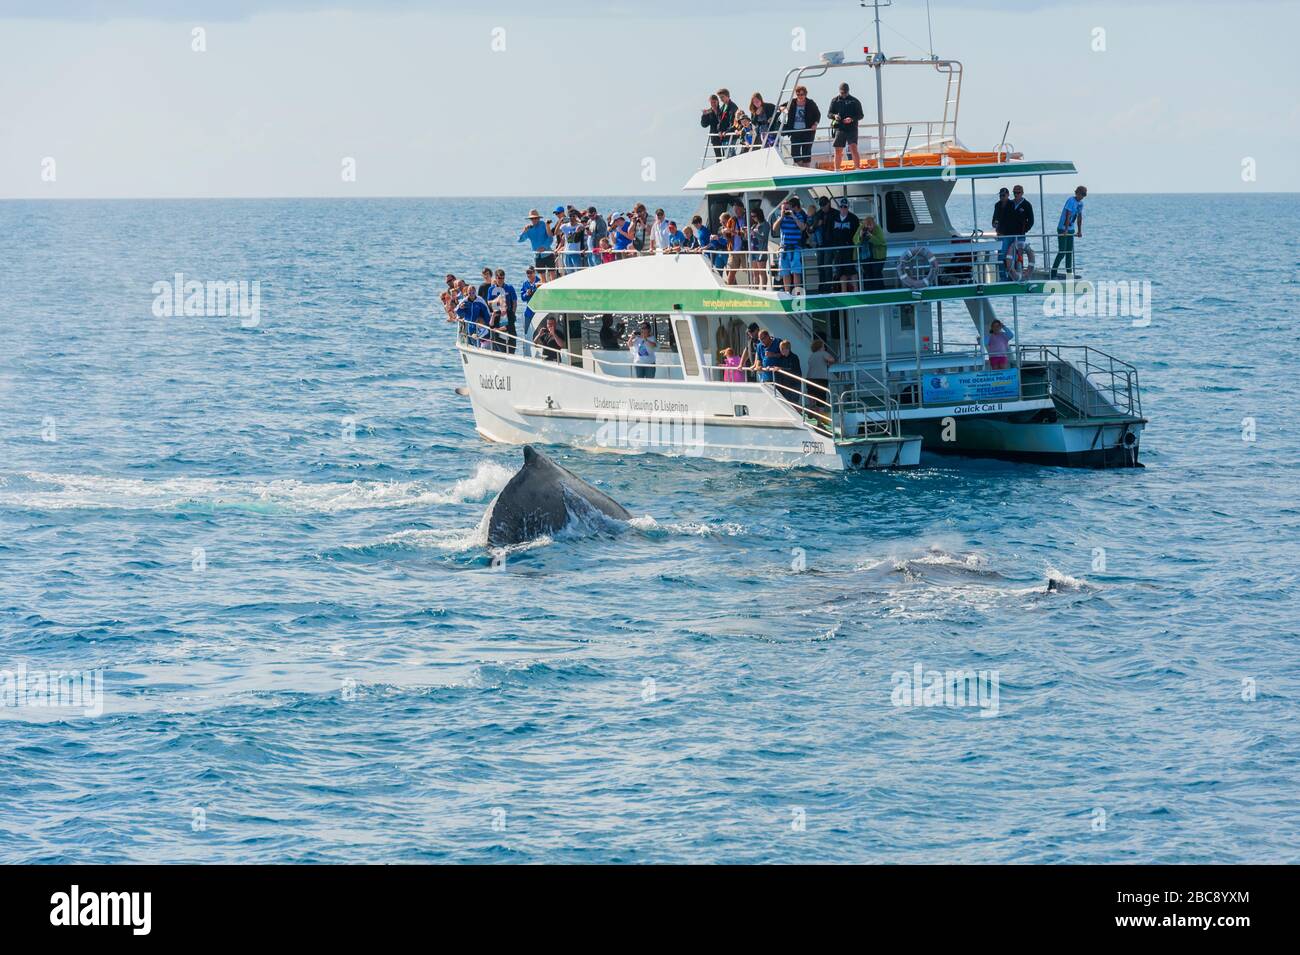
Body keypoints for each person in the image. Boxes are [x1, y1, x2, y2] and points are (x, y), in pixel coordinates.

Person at [823, 197, 861, 291]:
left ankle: (856, 291)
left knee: (851, 270)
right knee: (840, 271)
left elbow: (857, 234)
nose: (843, 209)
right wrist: (832, 244)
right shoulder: (833, 218)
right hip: (837, 249)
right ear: (839, 207)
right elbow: (828, 232)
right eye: (842, 207)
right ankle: (844, 292)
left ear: (848, 207)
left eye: (845, 207)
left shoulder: (853, 218)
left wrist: (854, 244)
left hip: (849, 249)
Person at [773, 198, 808, 293]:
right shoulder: (781, 218)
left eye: (787, 208)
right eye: (784, 209)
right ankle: (787, 292)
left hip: (795, 247)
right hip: (784, 248)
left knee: (796, 271)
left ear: (791, 208)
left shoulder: (798, 216)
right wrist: (781, 217)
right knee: (785, 272)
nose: (786, 211)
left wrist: (793, 216)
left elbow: (802, 227)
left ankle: (797, 292)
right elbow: (774, 228)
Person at [780, 85, 820, 167]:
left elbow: (818, 114)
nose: (800, 96)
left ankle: (807, 170)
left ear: (805, 94)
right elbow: (780, 106)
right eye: (798, 94)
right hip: (795, 131)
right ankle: (802, 169)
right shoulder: (792, 102)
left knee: (806, 152)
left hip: (807, 131)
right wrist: (783, 109)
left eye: (802, 94)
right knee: (795, 153)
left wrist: (815, 124)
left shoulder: (810, 103)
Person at [1051, 185, 1087, 278]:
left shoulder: (1081, 204)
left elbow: (1079, 217)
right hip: (1063, 228)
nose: (1082, 196)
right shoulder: (1071, 200)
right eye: (1081, 194)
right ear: (1077, 193)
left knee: (1069, 252)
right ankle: (1053, 273)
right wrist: (1066, 229)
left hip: (1071, 229)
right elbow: (1068, 215)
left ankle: (1069, 274)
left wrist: (1079, 231)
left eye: (1084, 195)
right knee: (1062, 251)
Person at [828, 82, 865, 169]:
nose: (843, 94)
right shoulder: (834, 101)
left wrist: (851, 119)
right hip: (840, 128)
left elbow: (861, 115)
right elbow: (829, 114)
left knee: (853, 148)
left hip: (852, 128)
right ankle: (837, 171)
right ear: (839, 91)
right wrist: (835, 116)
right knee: (838, 150)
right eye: (842, 93)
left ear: (848, 91)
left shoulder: (855, 101)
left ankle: (857, 169)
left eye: (845, 92)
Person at [486, 269, 518, 353]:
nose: (501, 280)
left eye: (503, 278)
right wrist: (498, 299)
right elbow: (489, 302)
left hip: (508, 313)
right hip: (497, 314)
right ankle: (499, 351)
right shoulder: (491, 289)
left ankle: (511, 352)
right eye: (499, 278)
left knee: (511, 334)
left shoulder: (509, 287)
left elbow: (514, 301)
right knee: (496, 335)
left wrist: (513, 313)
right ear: (496, 278)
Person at [518, 210, 556, 278]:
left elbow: (550, 238)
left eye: (535, 218)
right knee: (542, 277)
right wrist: (524, 231)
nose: (534, 220)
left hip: (548, 254)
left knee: (552, 276)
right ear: (530, 219)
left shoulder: (544, 225)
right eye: (532, 218)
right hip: (537, 256)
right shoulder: (529, 228)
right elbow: (520, 240)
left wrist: (544, 247)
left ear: (539, 218)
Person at [855, 214, 887, 290]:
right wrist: (860, 236)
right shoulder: (862, 228)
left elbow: (881, 242)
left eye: (871, 226)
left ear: (874, 224)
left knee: (877, 273)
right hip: (866, 256)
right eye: (867, 226)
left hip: (879, 255)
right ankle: (868, 291)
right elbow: (855, 241)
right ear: (864, 225)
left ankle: (880, 291)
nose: (869, 228)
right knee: (867, 273)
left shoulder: (877, 228)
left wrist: (871, 236)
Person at [769, 339, 804, 406]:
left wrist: (780, 368)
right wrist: (771, 367)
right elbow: (778, 367)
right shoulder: (781, 358)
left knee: (794, 404)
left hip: (794, 384)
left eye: (782, 348)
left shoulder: (794, 357)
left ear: (787, 348)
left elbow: (793, 370)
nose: (780, 350)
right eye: (780, 348)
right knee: (786, 404)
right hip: (785, 384)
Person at [806, 338, 836, 411]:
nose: (824, 347)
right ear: (820, 347)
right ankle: (819, 419)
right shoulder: (823, 353)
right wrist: (829, 363)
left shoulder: (811, 356)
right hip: (821, 379)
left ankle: (811, 410)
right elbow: (831, 359)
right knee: (821, 399)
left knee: (812, 397)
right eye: (823, 346)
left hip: (809, 379)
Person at [992, 187, 1015, 279]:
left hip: (1011, 235)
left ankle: (1011, 276)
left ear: (1008, 195)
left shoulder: (1012, 204)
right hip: (1001, 235)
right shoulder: (997, 205)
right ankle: (1002, 277)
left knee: (1011, 257)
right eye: (1000, 195)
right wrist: (994, 224)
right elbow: (994, 219)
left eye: (1003, 195)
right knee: (1001, 257)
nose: (1001, 197)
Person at [748, 203, 770, 290]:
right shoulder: (754, 225)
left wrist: (754, 233)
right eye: (751, 216)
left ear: (759, 215)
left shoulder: (765, 225)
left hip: (761, 251)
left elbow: (764, 238)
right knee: (755, 273)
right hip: (753, 251)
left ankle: (764, 290)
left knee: (762, 273)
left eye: (754, 216)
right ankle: (756, 290)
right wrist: (747, 232)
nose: (753, 218)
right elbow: (750, 238)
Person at [700, 93, 727, 159]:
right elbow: (704, 125)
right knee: (718, 157)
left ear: (717, 101)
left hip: (723, 136)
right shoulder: (709, 113)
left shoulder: (722, 110)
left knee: (725, 155)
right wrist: (704, 116)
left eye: (714, 102)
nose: (713, 104)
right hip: (715, 137)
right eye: (711, 102)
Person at [519, 266, 542, 342]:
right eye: (527, 273)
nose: (529, 275)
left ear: (534, 272)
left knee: (539, 331)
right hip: (529, 311)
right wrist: (527, 294)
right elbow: (522, 298)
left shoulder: (540, 281)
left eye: (530, 273)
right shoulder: (525, 283)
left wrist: (534, 289)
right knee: (527, 332)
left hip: (539, 311)